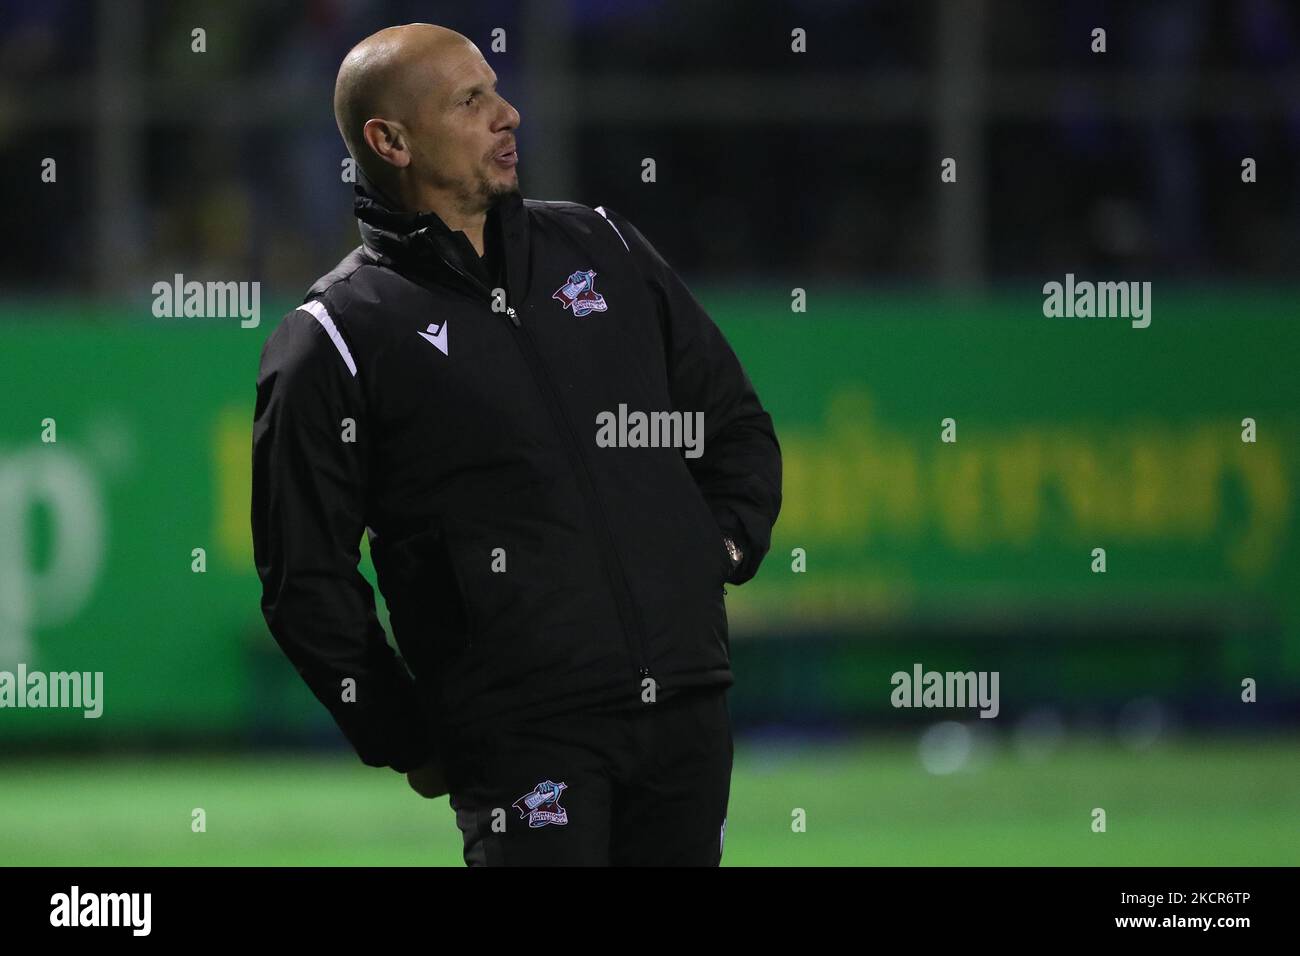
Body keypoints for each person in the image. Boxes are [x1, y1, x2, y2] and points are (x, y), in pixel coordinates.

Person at [251, 23, 781, 866]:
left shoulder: (604, 247)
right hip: (521, 738)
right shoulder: (335, 335)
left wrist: (713, 548)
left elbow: (735, 425)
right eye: (472, 101)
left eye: (495, 88)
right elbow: (304, 581)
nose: (510, 114)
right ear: (390, 140)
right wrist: (405, 736)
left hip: (684, 707)